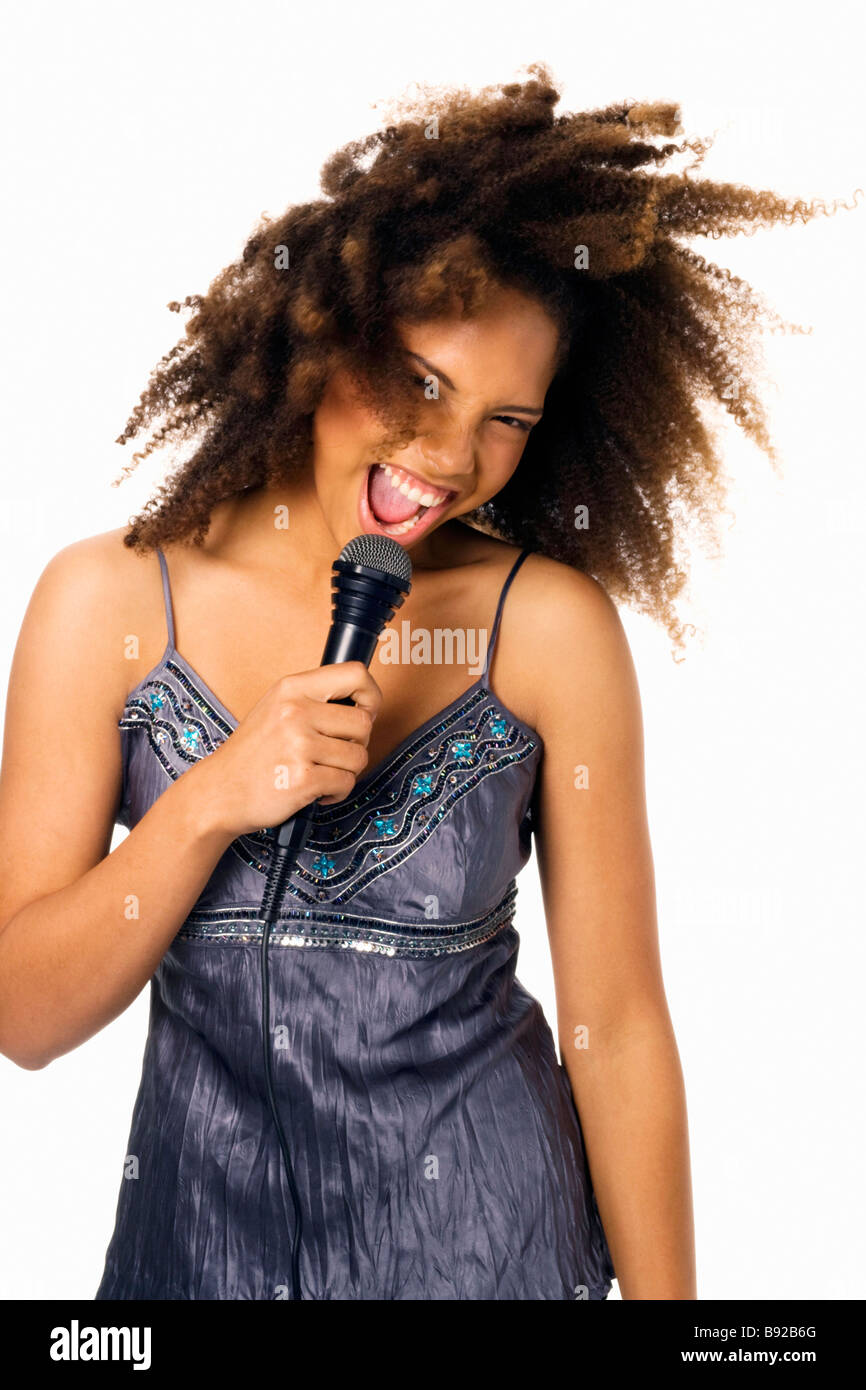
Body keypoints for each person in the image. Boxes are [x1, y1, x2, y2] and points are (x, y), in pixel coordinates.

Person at [0, 66, 836, 1300]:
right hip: (198, 1265)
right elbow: (25, 1016)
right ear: (321, 334)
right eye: (422, 382)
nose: (452, 455)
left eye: (507, 416)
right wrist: (211, 798)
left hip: (497, 1260)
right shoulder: (107, 605)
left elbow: (618, 1028)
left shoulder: (543, 630)